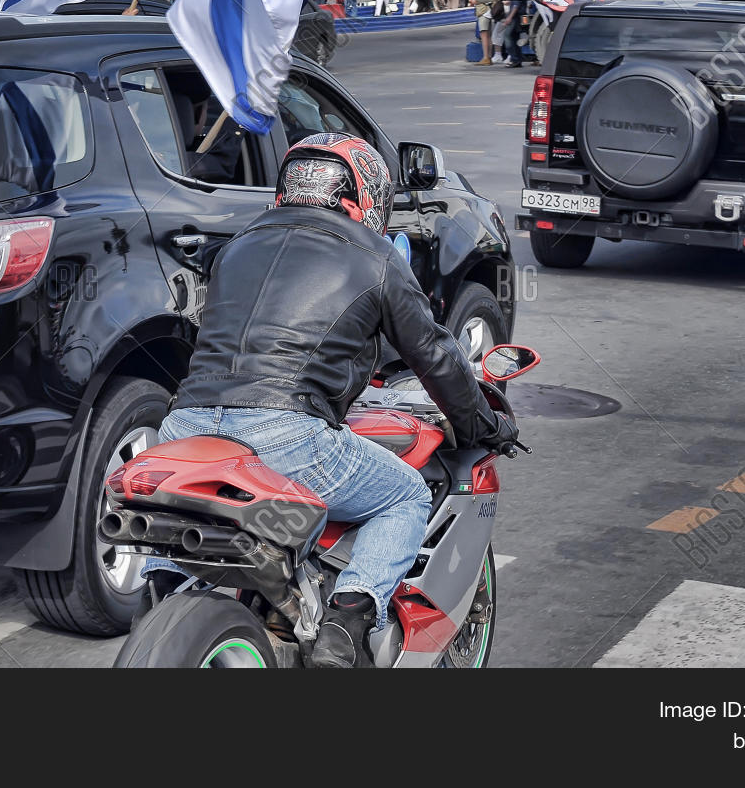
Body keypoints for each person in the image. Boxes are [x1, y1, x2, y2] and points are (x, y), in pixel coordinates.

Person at [142, 133, 506, 667]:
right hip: (284, 434)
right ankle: (345, 625)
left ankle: (161, 599)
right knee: (405, 496)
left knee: (172, 519)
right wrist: (483, 424)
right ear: (368, 196)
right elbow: (435, 354)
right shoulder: (376, 256)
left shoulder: (236, 247)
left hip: (185, 427)